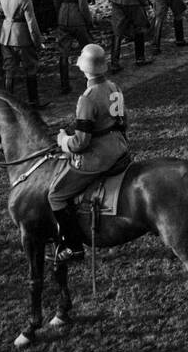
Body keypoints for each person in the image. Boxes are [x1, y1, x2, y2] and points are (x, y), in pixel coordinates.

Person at [48, 44, 130, 264]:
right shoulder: (114, 86)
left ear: (84, 69)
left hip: (99, 157)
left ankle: (74, 248)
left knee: (55, 195)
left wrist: (63, 140)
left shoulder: (87, 97)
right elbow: (123, 122)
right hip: (120, 147)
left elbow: (81, 142)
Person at [0, 0, 44, 106]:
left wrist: (2, 33)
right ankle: (33, 101)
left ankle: (8, 103)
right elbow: (32, 25)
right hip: (22, 38)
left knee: (9, 69)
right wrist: (37, 42)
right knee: (31, 68)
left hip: (5, 37)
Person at [53, 0, 93, 94]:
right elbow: (83, 5)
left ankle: (64, 85)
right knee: (88, 48)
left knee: (64, 52)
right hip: (77, 17)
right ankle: (91, 79)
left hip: (63, 16)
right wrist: (89, 21)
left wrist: (60, 15)